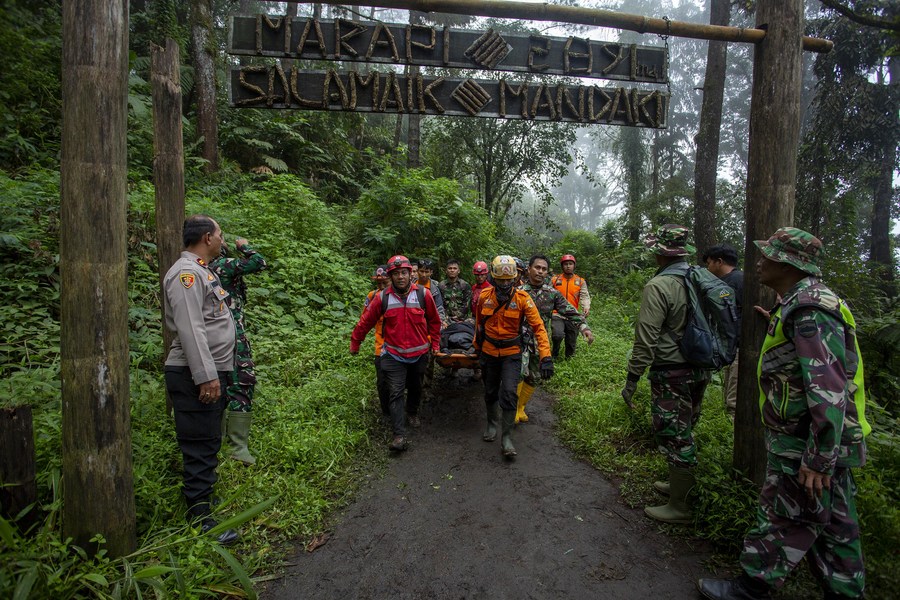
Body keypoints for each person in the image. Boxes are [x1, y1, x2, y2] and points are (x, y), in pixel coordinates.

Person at [698, 228, 870, 600]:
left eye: (768, 257)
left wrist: (819, 458)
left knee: (786, 514)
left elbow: (828, 389)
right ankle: (845, 590)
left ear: (789, 264)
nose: (759, 262)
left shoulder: (810, 311)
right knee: (835, 526)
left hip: (809, 443)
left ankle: (752, 587)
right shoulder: (798, 304)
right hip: (822, 443)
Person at [620, 224, 711, 524]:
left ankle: (681, 507)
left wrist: (632, 379)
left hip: (671, 371)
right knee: (687, 426)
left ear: (659, 253)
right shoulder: (701, 278)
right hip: (700, 367)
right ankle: (679, 485)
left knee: (674, 434)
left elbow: (646, 340)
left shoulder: (658, 286)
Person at [162, 215, 239, 544]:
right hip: (195, 375)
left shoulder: (201, 270)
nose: (223, 239)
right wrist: (206, 377)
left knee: (208, 439)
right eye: (220, 234)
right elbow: (192, 330)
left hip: (209, 372)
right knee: (199, 444)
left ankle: (202, 499)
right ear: (207, 237)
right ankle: (200, 520)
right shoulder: (187, 274)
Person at [350, 256, 441, 451]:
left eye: (404, 273)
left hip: (419, 354)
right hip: (393, 354)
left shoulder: (424, 295)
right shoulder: (382, 298)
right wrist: (355, 342)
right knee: (396, 392)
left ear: (410, 274)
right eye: (396, 274)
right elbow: (365, 322)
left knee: (416, 387)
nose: (400, 276)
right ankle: (399, 435)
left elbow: (434, 321)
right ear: (391, 276)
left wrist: (435, 344)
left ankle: (413, 412)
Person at [474, 255, 552, 458]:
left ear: (516, 279)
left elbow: (539, 328)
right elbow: (479, 324)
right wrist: (476, 347)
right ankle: (492, 423)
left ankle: (506, 437)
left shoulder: (523, 300)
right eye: (501, 280)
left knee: (509, 392)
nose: (505, 284)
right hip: (489, 352)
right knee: (490, 391)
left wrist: (546, 356)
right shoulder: (484, 296)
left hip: (512, 354)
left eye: (509, 280)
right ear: (493, 278)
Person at [209, 236, 268, 466]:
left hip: (218, 335)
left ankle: (222, 443)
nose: (223, 240)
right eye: (220, 237)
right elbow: (259, 262)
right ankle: (237, 447)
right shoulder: (224, 265)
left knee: (223, 384)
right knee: (242, 382)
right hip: (232, 335)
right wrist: (245, 246)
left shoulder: (206, 268)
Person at [517, 254, 594, 423]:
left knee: (534, 376)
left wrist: (584, 327)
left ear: (547, 273)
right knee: (519, 373)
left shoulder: (552, 294)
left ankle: (521, 407)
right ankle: (513, 408)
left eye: (544, 269)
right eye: (537, 267)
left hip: (539, 342)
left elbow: (569, 310)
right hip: (519, 341)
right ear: (529, 269)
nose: (540, 271)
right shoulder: (518, 292)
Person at [702, 243, 744, 417]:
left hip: (740, 346)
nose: (707, 267)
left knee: (733, 400)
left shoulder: (735, 282)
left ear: (719, 262)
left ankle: (733, 439)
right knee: (728, 393)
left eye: (709, 263)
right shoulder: (736, 280)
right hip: (731, 347)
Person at [362, 265, 390, 421]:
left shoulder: (400, 295)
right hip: (381, 347)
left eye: (384, 282)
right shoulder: (373, 296)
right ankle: (386, 412)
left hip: (401, 345)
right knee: (382, 382)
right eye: (378, 283)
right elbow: (364, 320)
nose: (381, 286)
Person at [551, 254, 591, 359]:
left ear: (574, 266)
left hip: (573, 315)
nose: (568, 266)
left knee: (571, 340)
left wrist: (586, 307)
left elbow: (584, 296)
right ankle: (554, 354)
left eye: (570, 264)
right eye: (565, 264)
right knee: (557, 335)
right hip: (557, 313)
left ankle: (569, 358)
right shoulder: (555, 280)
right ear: (562, 266)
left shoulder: (580, 281)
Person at [470, 260, 493, 381]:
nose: (480, 277)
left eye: (482, 275)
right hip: (474, 318)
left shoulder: (490, 289)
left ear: (486, 274)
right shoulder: (473, 288)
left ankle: (481, 369)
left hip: (486, 320)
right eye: (477, 275)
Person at [438, 258, 472, 323]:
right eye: (450, 268)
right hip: (445, 319)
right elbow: (440, 305)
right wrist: (446, 318)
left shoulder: (465, 285)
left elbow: (466, 305)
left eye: (455, 268)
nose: (452, 270)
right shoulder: (441, 286)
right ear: (446, 270)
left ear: (458, 271)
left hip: (462, 319)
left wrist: (458, 317)